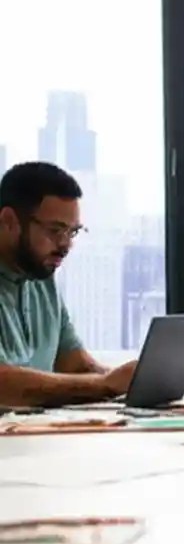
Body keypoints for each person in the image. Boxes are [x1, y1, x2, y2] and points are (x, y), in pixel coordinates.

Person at [0, 162, 135, 406]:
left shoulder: (41, 277)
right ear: (9, 220)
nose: (65, 246)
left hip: (33, 438)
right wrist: (106, 385)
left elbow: (75, 366)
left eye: (72, 232)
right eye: (55, 230)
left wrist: (136, 384)